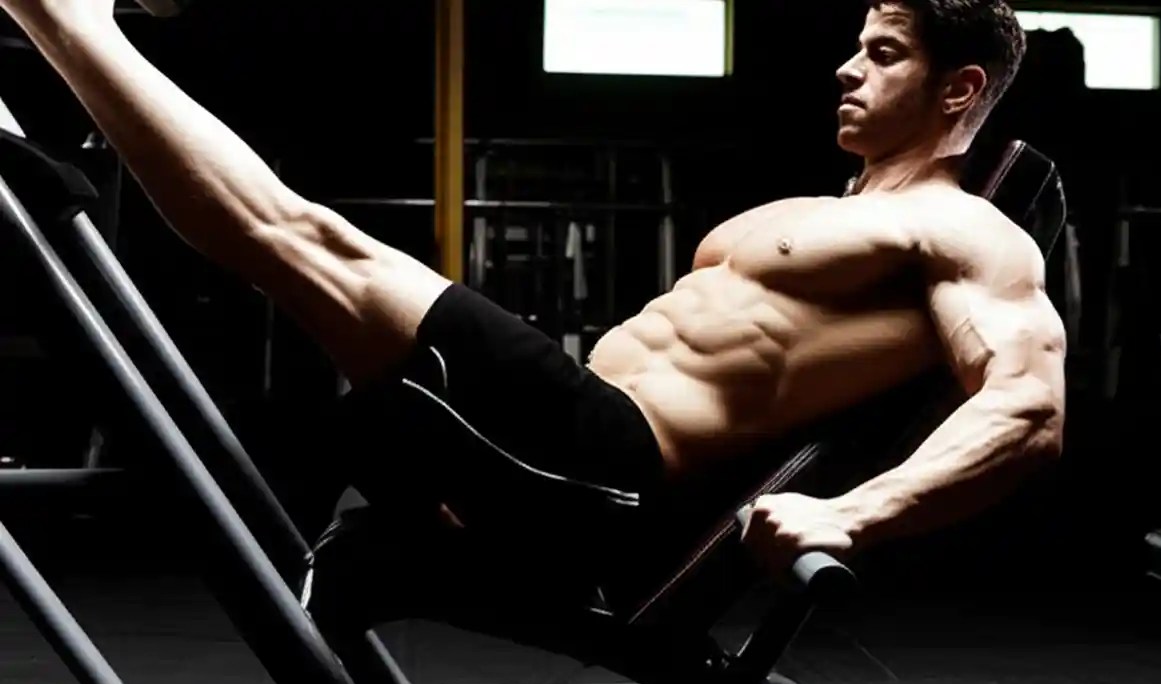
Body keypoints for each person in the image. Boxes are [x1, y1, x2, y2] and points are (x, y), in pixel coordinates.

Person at [0, 0, 1064, 581]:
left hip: (602, 468)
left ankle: (65, 14)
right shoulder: (811, 213)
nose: (844, 68)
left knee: (305, 239)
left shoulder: (964, 229)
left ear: (958, 89)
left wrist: (851, 514)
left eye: (881, 55)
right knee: (290, 283)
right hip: (548, 442)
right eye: (853, 46)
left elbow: (1023, 410)